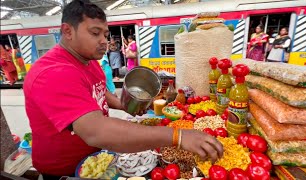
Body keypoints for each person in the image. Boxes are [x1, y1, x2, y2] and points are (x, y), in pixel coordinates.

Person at [23, 0, 223, 179]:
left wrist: (123, 104)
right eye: (95, 33)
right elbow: (96, 131)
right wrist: (177, 136)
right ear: (67, 31)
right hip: (64, 170)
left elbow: (99, 92)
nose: (104, 40)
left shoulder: (87, 60)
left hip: (98, 156)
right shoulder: (52, 73)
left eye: (105, 34)